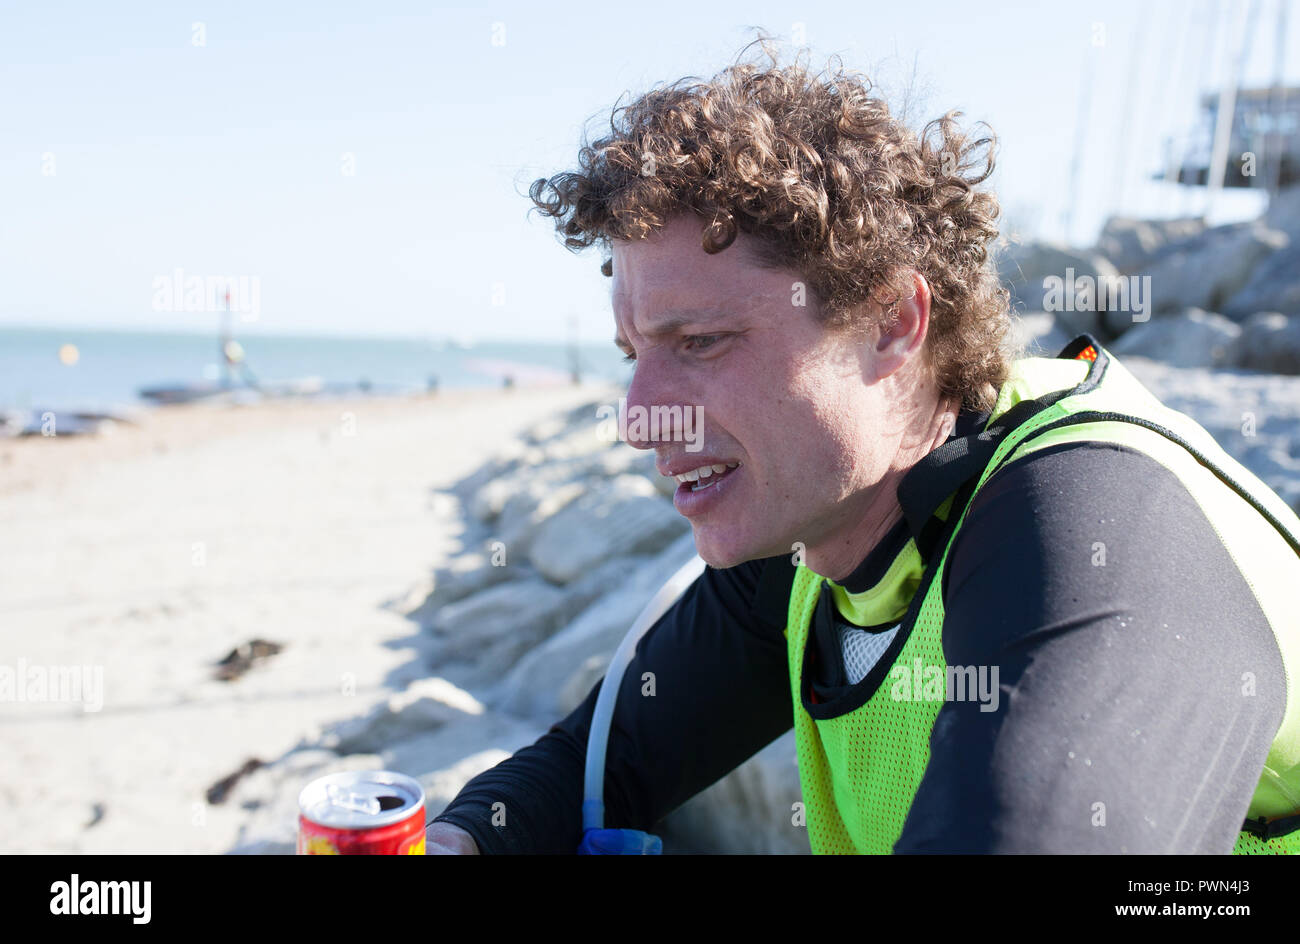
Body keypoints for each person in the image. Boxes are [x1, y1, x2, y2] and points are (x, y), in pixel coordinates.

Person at [425, 41, 1300, 854]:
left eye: (699, 342)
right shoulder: (819, 536)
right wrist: (461, 839)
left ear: (892, 323)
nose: (640, 418)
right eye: (633, 356)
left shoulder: (1094, 528)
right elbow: (597, 767)